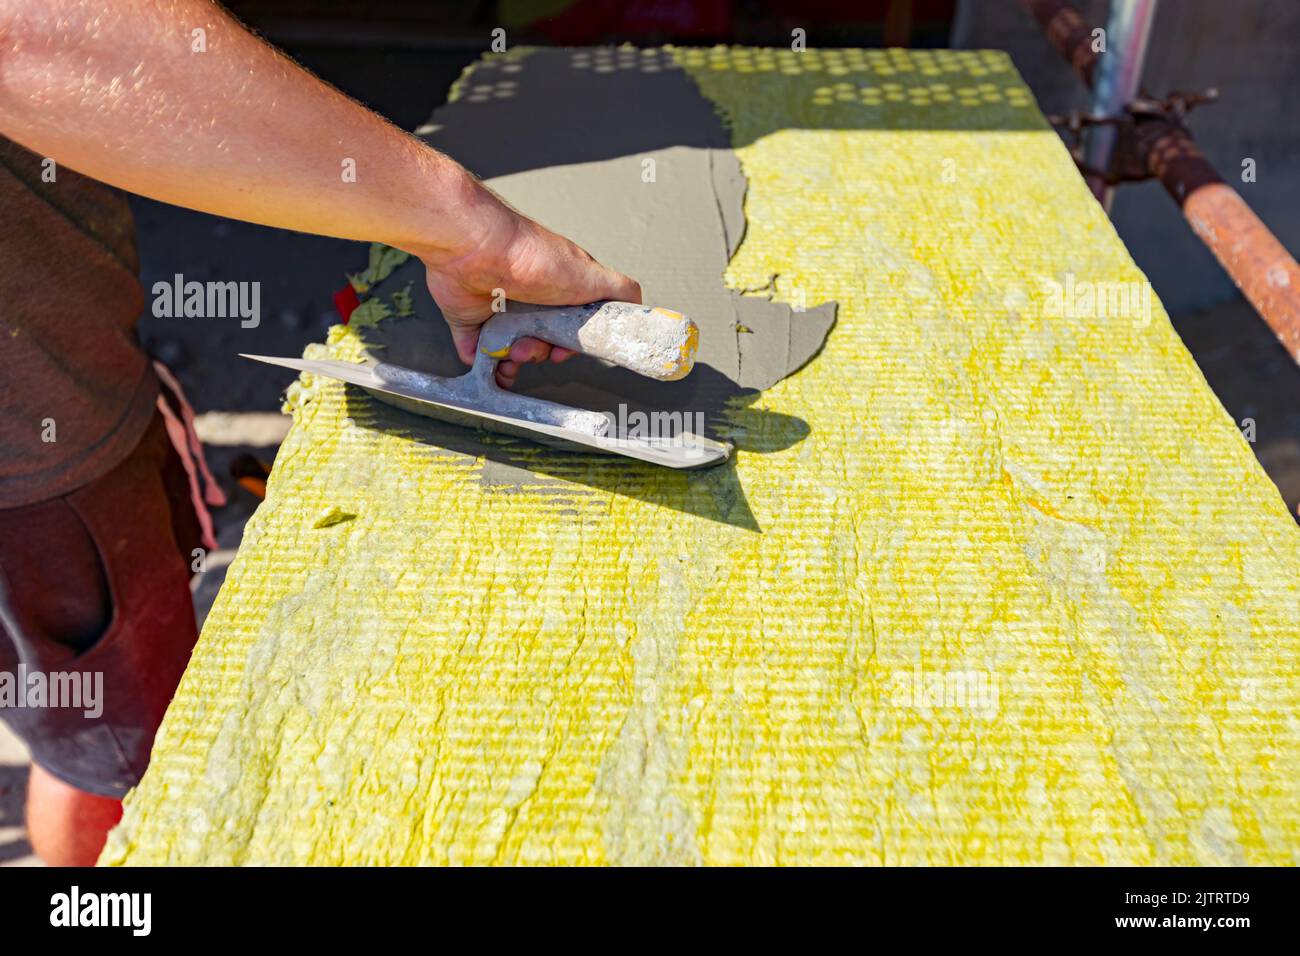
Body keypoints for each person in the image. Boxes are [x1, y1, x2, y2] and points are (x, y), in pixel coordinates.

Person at [0, 0, 640, 865]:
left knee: (79, 712)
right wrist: (470, 229)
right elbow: (36, 31)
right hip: (39, 465)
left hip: (57, 386)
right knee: (131, 754)